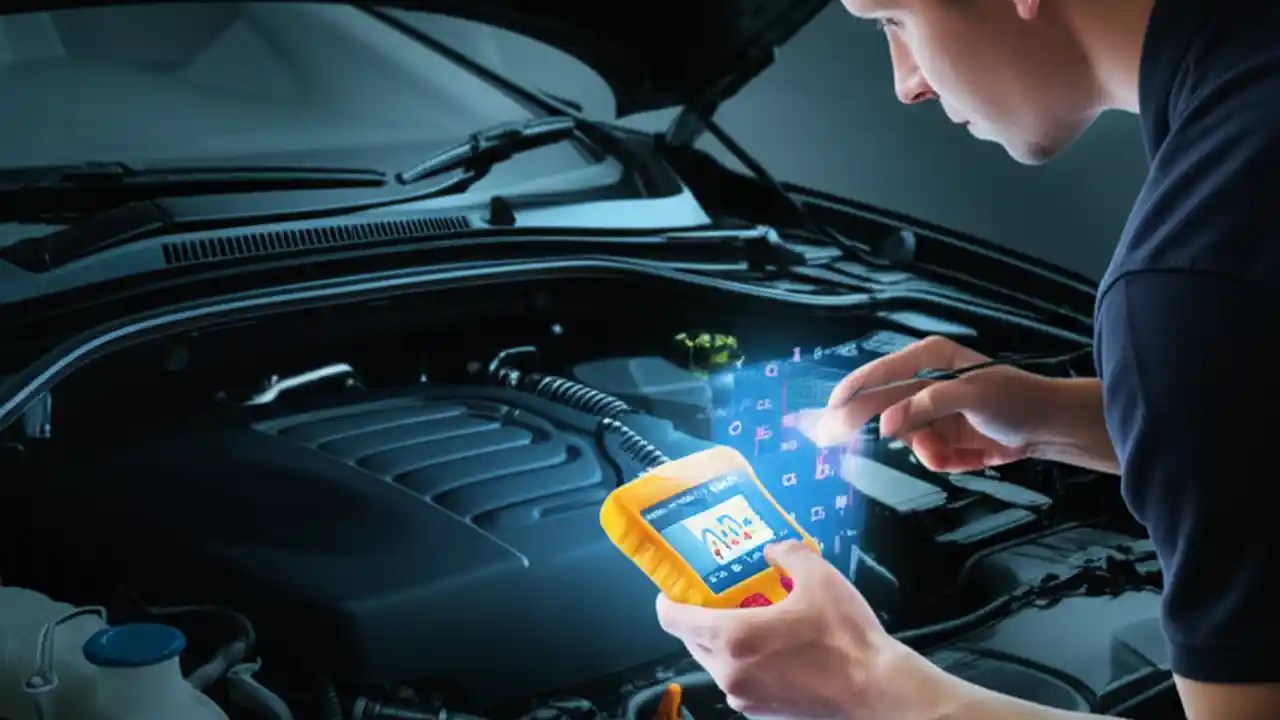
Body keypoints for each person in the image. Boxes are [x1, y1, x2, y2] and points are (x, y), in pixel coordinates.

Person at [653, 0, 1280, 717]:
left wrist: (867, 682)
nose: (906, 83)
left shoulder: (1193, 279)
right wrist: (1063, 417)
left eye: (891, 19)